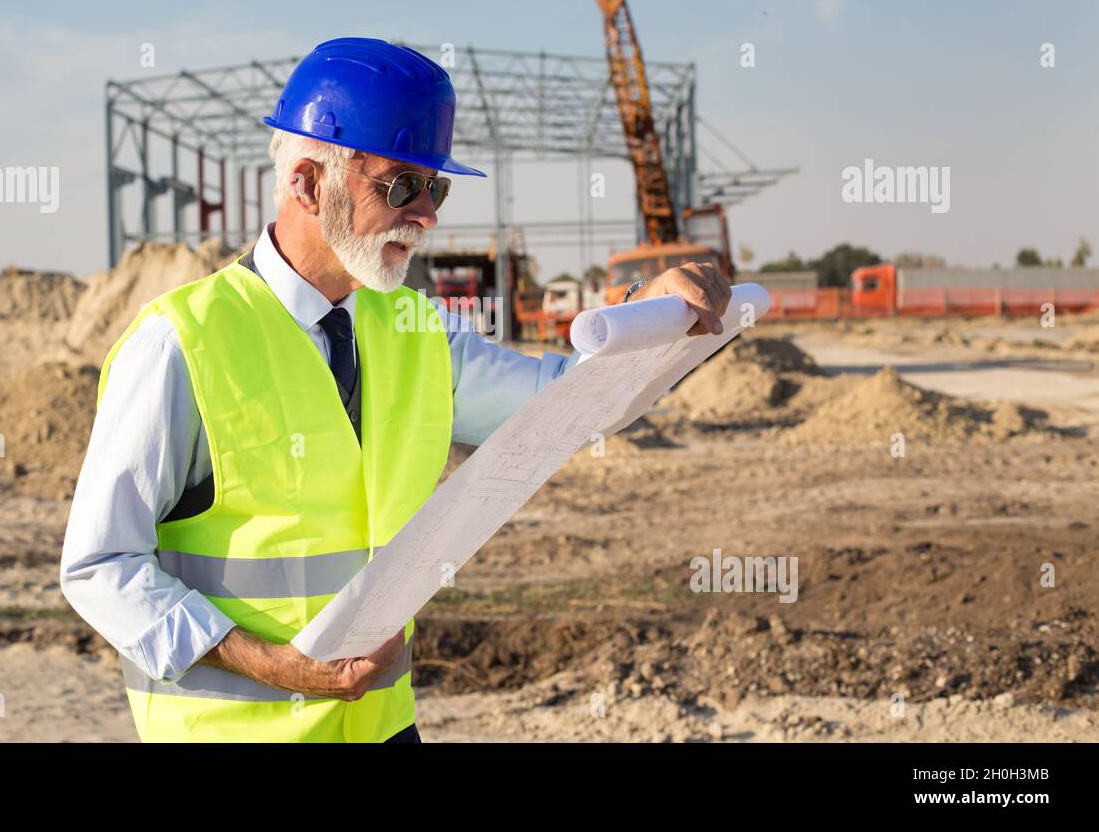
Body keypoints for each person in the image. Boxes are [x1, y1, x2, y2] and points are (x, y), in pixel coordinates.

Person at [60, 37, 731, 742]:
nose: (427, 214)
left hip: (383, 729)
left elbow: (569, 405)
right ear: (309, 185)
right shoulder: (180, 343)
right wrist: (275, 666)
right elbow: (100, 565)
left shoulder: (413, 327)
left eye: (434, 188)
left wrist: (648, 313)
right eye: (400, 186)